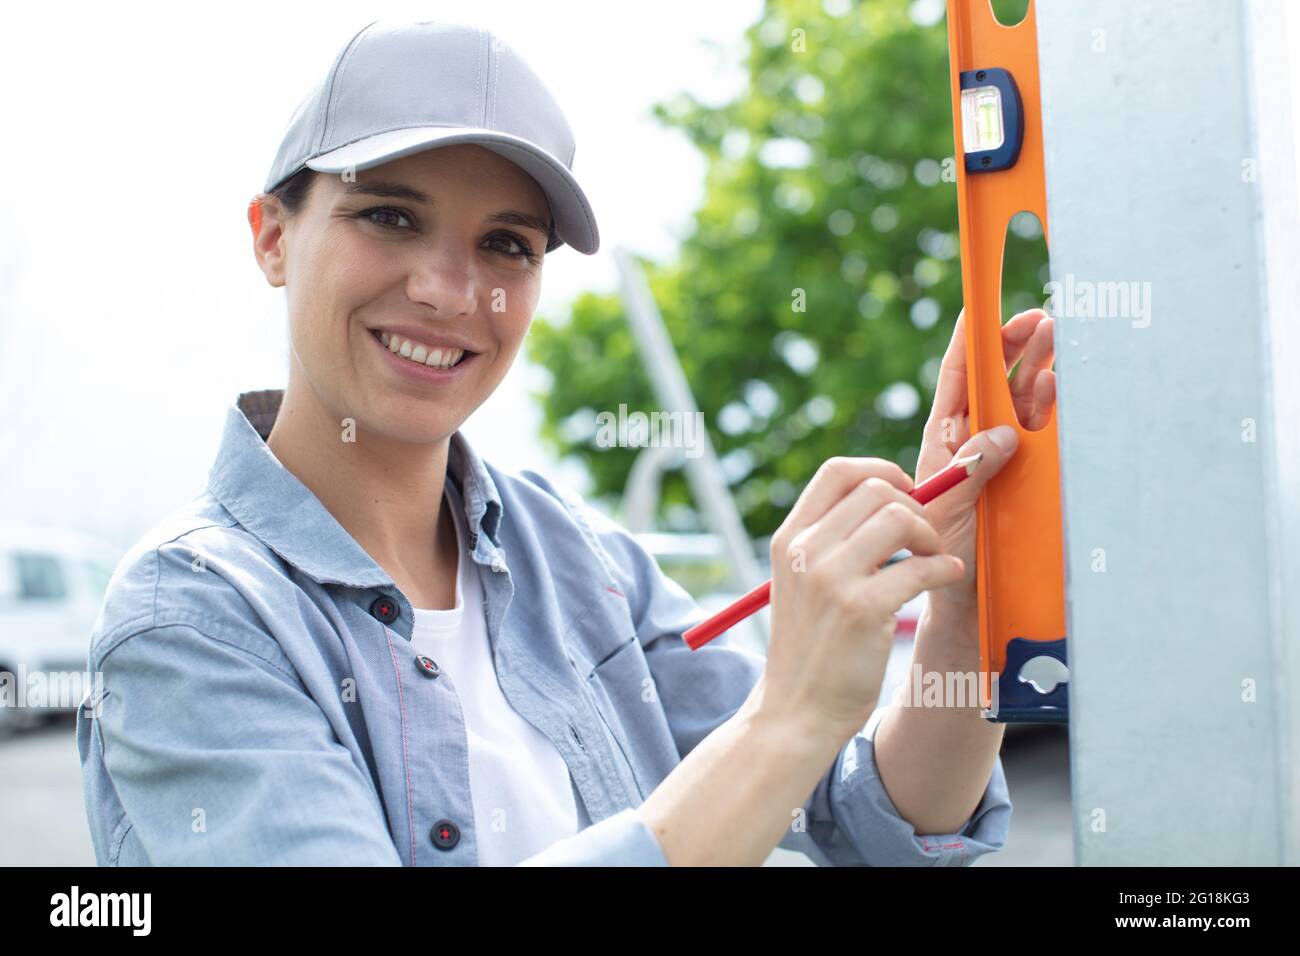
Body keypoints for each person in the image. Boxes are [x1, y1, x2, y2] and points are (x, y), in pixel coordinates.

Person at [76, 18, 1056, 866]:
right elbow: (771, 751)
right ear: (272, 236)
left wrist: (961, 603)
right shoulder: (193, 620)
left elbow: (868, 822)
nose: (450, 291)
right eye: (388, 214)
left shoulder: (586, 564)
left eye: (506, 243)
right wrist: (786, 713)